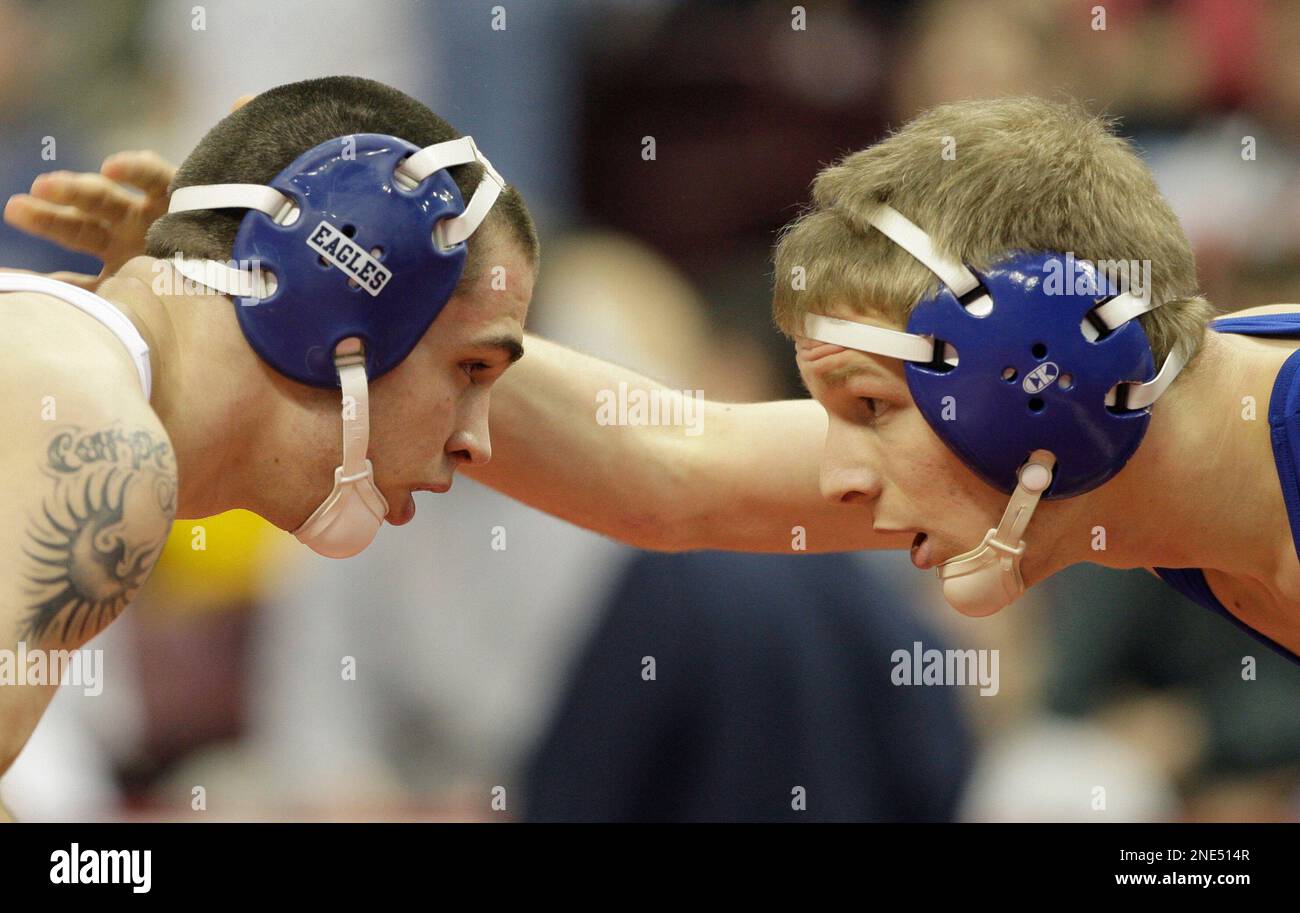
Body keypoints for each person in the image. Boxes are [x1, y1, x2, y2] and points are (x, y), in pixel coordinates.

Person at [12, 97, 1299, 659]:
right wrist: (296, 288)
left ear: (1038, 369)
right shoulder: (1104, 431)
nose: (835, 470)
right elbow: (668, 471)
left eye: (864, 405)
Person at [0, 75, 538, 806]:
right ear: (337, 305)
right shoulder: (103, 441)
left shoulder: (65, 374)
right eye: (472, 368)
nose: (477, 441)